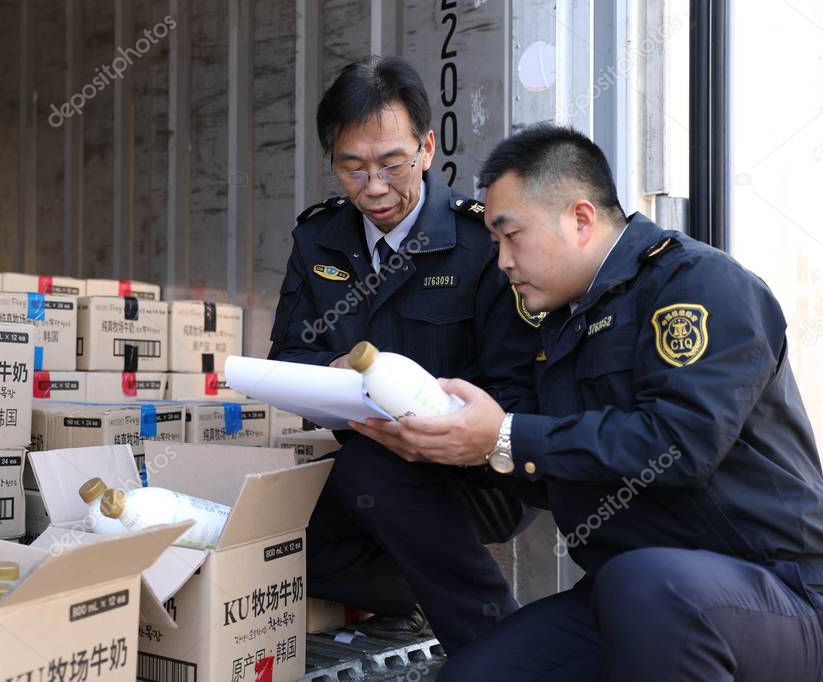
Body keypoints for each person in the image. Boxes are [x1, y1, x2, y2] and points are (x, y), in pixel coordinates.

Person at [352, 123, 823, 681]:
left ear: (579, 219)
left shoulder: (699, 285)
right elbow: (553, 468)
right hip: (628, 593)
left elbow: (682, 444)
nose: (500, 261)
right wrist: (456, 444)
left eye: (511, 237)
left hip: (775, 593)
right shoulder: (556, 323)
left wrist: (505, 435)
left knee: (647, 587)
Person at [267, 56, 542, 654]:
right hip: (364, 456)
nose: (374, 188)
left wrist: (456, 430)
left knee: (372, 473)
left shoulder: (478, 242)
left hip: (477, 470)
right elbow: (290, 353)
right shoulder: (317, 238)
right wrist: (327, 374)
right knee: (266, 539)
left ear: (426, 148)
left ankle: (503, 651)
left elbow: (519, 384)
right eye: (352, 167)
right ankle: (408, 600)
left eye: (393, 164)